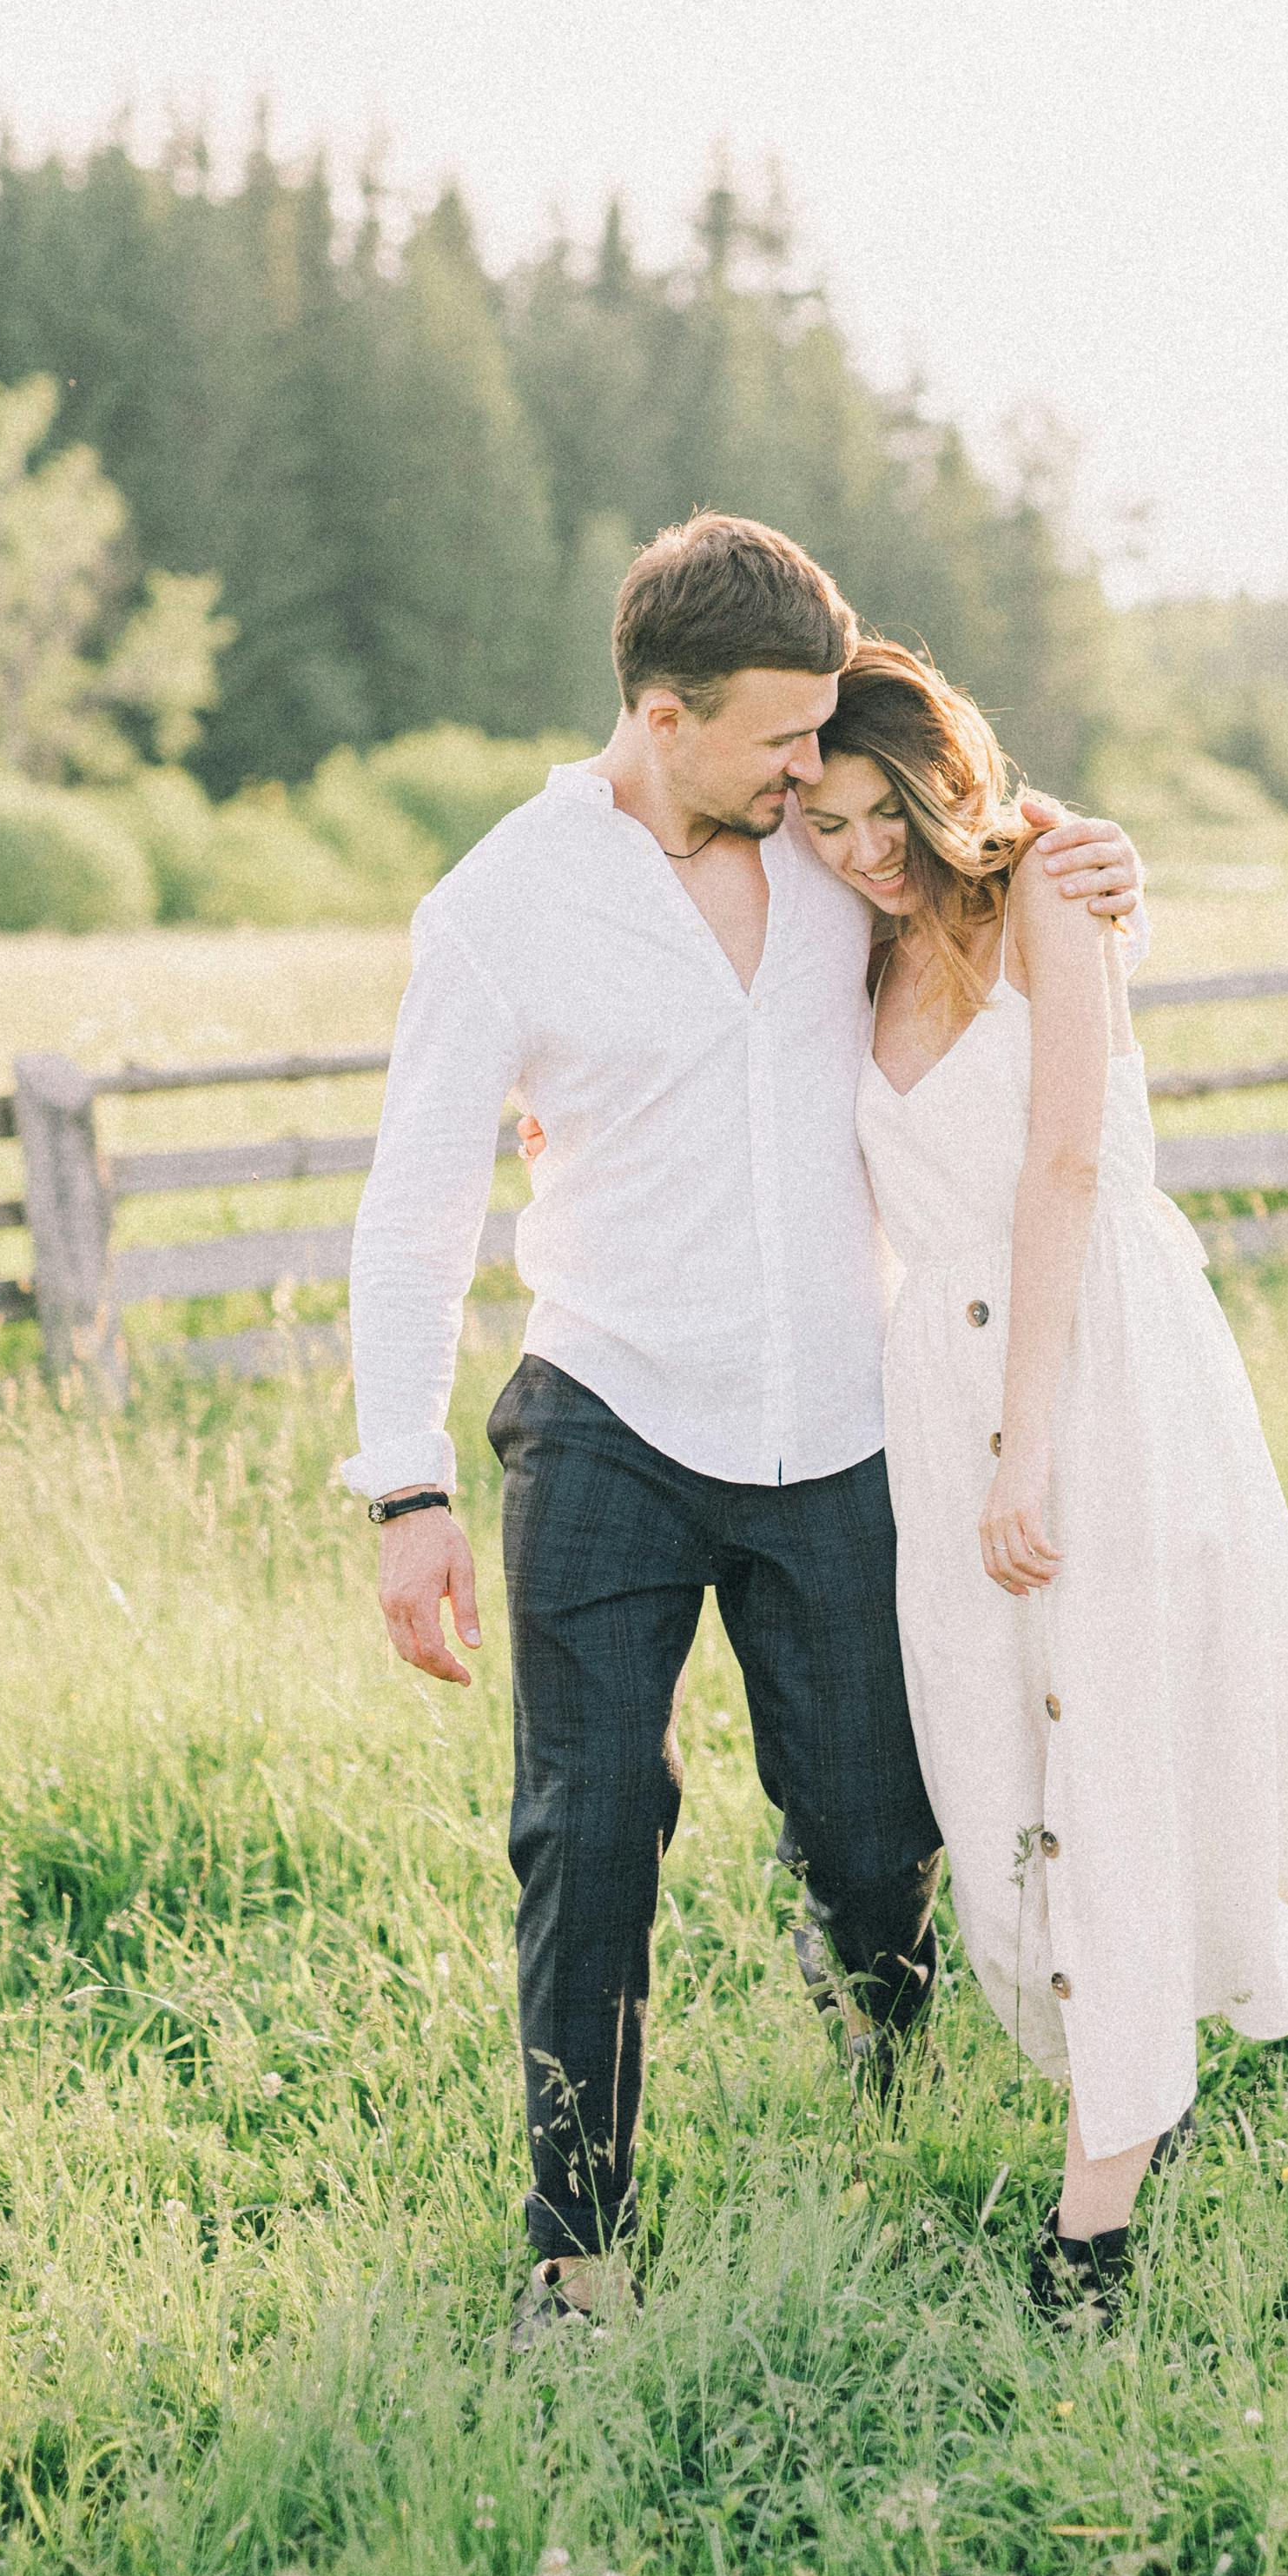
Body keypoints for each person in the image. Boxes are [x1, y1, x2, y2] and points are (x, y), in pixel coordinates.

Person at [342, 513, 1142, 2333]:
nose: (809, 767)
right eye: (780, 738)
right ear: (662, 715)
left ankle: (880, 2020)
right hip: (607, 1410)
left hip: (845, 1420)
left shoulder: (833, 847)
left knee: (872, 1829)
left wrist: (1102, 870)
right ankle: (576, 2250)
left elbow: (999, 904)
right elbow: (412, 1206)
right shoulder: (498, 907)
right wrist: (402, 1486)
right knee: (587, 1828)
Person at [796, 641, 1288, 2320]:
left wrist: (1025, 1438)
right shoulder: (851, 946)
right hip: (943, 1380)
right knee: (995, 1749)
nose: (860, 853)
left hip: (1091, 1361)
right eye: (824, 822)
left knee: (1112, 1738)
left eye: (883, 816)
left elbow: (1066, 1158)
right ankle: (1129, 2070)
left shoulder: (1048, 886)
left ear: (941, 784)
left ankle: (1091, 2223)